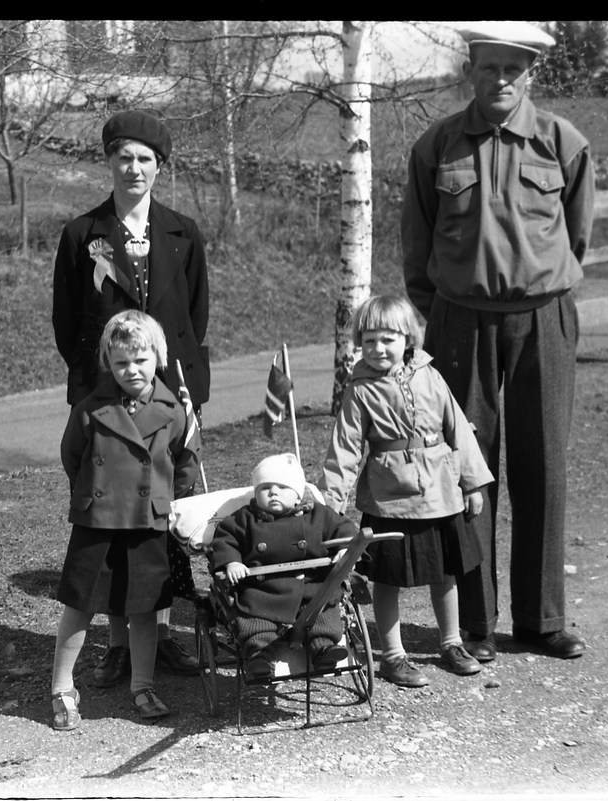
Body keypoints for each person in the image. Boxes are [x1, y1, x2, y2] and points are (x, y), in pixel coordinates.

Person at [401, 22, 594, 662]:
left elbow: (578, 235)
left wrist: (547, 289)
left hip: (543, 317)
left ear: (530, 74)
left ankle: (542, 619)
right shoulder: (436, 145)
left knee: (544, 463)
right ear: (470, 71)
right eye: (489, 67)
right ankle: (474, 622)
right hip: (460, 319)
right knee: (465, 467)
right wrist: (437, 314)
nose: (501, 79)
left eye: (514, 68)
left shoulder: (562, 141)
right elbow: (417, 242)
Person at [52, 109, 209, 684]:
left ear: (160, 167)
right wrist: (97, 383)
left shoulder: (183, 233)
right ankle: (119, 644)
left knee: (161, 515)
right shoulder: (82, 235)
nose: (134, 168)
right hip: (106, 398)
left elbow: (195, 316)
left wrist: (182, 392)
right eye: (124, 157)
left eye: (145, 159)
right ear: (109, 162)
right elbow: (67, 322)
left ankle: (159, 636)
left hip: (168, 393)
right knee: (115, 517)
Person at [322, 295, 495, 688]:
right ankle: (393, 655)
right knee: (387, 579)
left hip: (440, 493)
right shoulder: (360, 390)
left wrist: (472, 484)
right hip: (390, 501)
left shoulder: (430, 375)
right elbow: (344, 452)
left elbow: (458, 429)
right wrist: (330, 509)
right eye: (369, 341)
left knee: (445, 573)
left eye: (388, 339)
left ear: (407, 339)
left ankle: (451, 643)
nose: (378, 348)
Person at [51, 310, 201, 730]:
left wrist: (166, 501)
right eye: (121, 363)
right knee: (80, 605)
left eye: (140, 360)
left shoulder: (173, 411)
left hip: (145, 523)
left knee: (144, 608)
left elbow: (186, 462)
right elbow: (72, 455)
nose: (131, 370)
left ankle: (143, 685)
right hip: (97, 521)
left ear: (158, 358)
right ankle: (62, 687)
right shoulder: (90, 408)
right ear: (108, 363)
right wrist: (92, 491)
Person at [208, 453, 360, 679]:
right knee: (255, 622)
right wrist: (232, 562)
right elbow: (224, 540)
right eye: (265, 488)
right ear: (256, 493)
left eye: (282, 487)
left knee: (323, 614)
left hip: (311, 586)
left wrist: (344, 548)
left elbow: (344, 529)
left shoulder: (318, 515)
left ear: (298, 494)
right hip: (263, 590)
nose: (273, 492)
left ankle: (324, 648)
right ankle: (260, 656)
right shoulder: (244, 519)